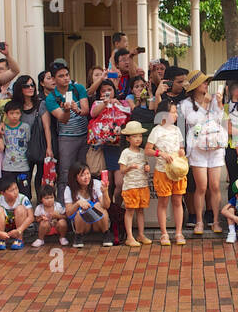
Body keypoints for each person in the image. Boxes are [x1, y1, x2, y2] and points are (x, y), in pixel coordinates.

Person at [181, 76, 226, 236]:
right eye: (204, 82)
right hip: (197, 148)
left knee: (214, 186)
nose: (207, 85)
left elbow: (219, 120)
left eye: (207, 82)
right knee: (201, 187)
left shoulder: (214, 99)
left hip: (215, 147)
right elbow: (193, 121)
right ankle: (199, 221)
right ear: (195, 86)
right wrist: (206, 104)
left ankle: (215, 220)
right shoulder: (185, 104)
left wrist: (219, 104)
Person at [45, 62, 89, 192]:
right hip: (67, 138)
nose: (65, 78)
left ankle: (84, 199)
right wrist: (67, 110)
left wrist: (77, 110)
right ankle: (63, 204)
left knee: (84, 171)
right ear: (53, 79)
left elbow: (86, 110)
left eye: (67, 75)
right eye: (61, 76)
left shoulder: (78, 88)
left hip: (85, 135)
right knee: (65, 172)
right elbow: (63, 119)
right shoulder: (51, 98)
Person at [147, 105, 187, 245]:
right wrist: (161, 154)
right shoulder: (156, 131)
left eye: (176, 112)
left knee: (177, 200)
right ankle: (164, 233)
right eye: (173, 112)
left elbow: (181, 148)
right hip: (163, 170)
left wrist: (181, 152)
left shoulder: (177, 130)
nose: (176, 115)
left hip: (177, 170)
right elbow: (148, 150)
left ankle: (178, 232)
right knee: (163, 202)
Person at [118, 120, 152, 248]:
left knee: (141, 210)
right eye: (134, 136)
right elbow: (121, 170)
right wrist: (129, 167)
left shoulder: (143, 151)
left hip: (142, 184)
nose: (138, 139)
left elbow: (146, 165)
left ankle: (141, 234)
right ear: (128, 138)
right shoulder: (125, 152)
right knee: (130, 211)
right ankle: (130, 236)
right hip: (131, 186)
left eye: (139, 136)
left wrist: (147, 168)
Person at [64, 162, 112, 247]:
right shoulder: (69, 189)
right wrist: (78, 204)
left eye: (88, 173)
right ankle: (78, 236)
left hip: (97, 224)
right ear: (75, 177)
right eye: (82, 175)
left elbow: (106, 206)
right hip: (83, 225)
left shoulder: (96, 183)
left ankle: (106, 233)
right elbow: (68, 213)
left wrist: (105, 192)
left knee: (99, 206)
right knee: (80, 212)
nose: (86, 177)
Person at [0, 176, 33, 250]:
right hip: (4, 225)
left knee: (20, 209)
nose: (15, 192)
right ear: (2, 193)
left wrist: (19, 230)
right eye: (11, 190)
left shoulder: (23, 198)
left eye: (16, 188)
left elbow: (31, 217)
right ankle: (1, 239)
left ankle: (19, 239)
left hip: (19, 225)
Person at [0, 101, 31, 194]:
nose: (14, 116)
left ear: (21, 113)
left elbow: (28, 141)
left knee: (24, 191)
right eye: (11, 113)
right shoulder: (4, 128)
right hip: (8, 167)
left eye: (17, 113)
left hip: (23, 166)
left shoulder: (25, 127)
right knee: (9, 191)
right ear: (6, 114)